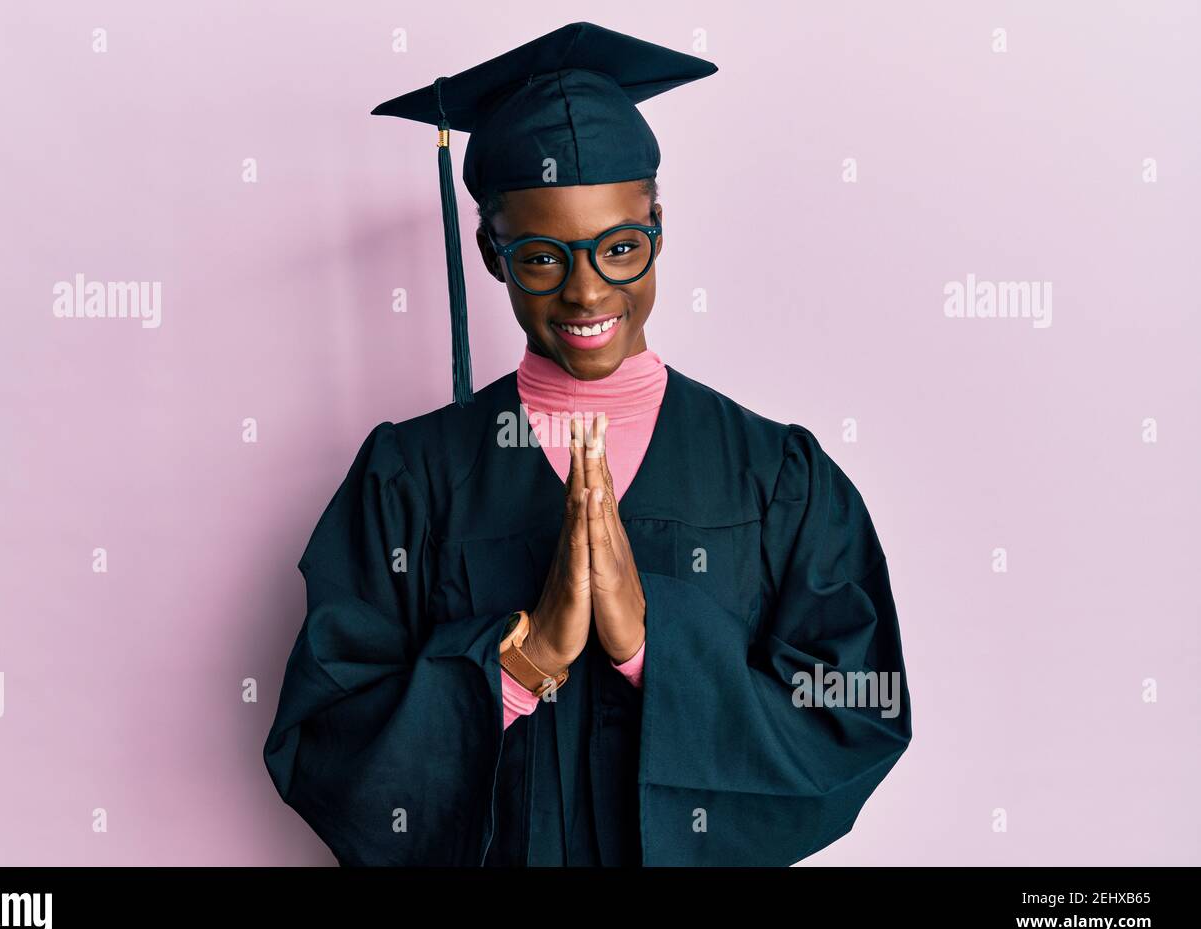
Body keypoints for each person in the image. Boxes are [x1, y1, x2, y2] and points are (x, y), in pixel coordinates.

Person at [263, 21, 912, 866]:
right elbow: (323, 745)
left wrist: (652, 648)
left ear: (658, 231)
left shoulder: (776, 475)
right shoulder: (410, 478)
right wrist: (520, 663)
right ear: (492, 257)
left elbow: (858, 710)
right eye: (540, 257)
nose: (586, 290)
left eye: (619, 247)